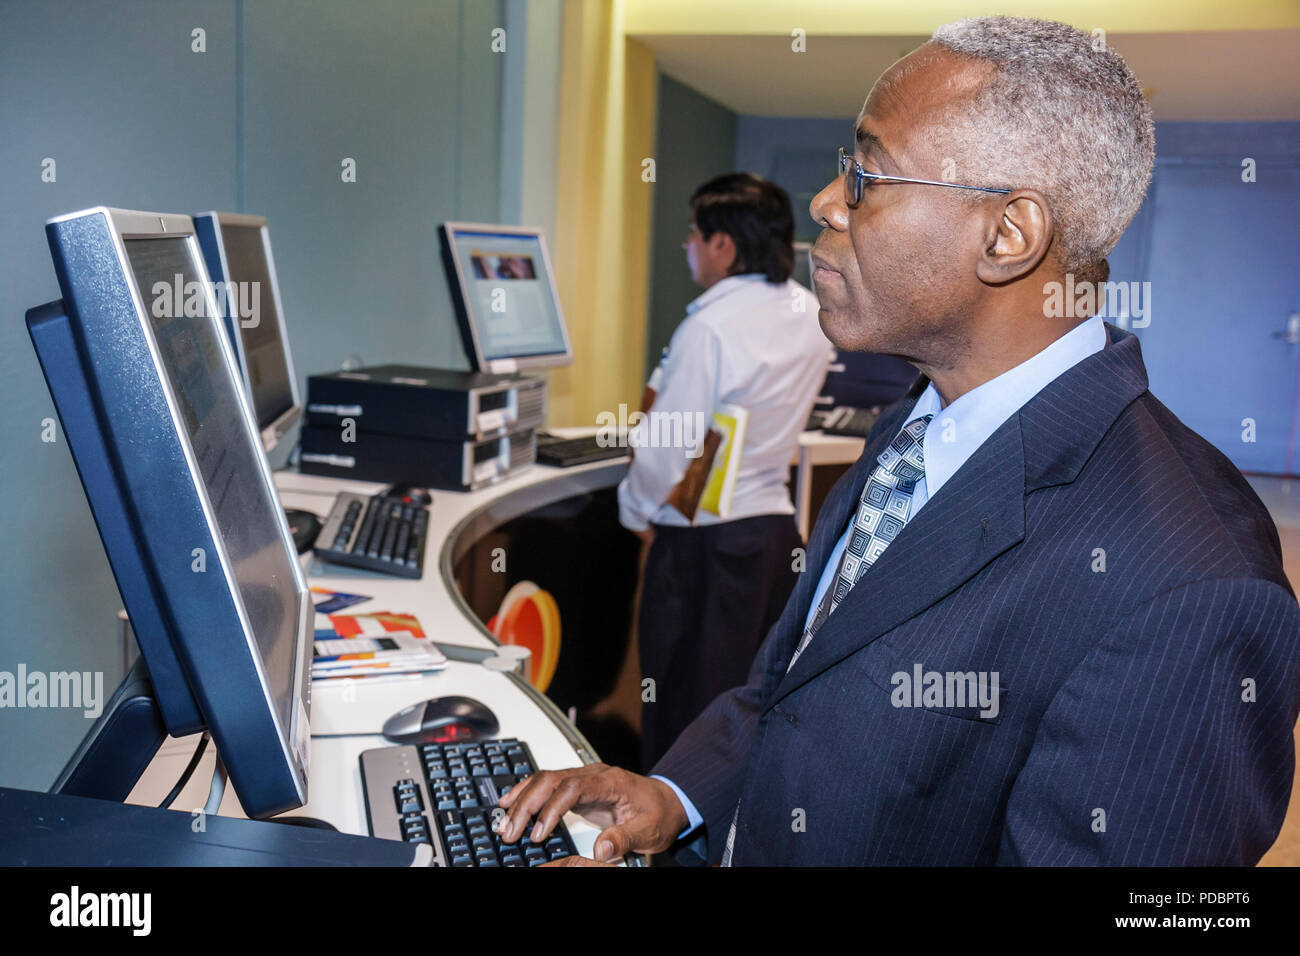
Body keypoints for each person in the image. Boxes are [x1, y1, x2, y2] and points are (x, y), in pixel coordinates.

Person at [499, 15, 1300, 866]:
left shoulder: (1194, 586)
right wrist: (676, 795)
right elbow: (791, 689)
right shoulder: (916, 426)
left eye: (865, 174)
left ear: (1008, 235)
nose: (822, 205)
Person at [618, 172, 832, 771]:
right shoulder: (809, 314)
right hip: (772, 541)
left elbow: (664, 449)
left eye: (693, 233)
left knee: (682, 714)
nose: (687, 245)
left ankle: (664, 854)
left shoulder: (708, 327)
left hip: (702, 549)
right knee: (747, 709)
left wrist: (635, 513)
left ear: (722, 245)